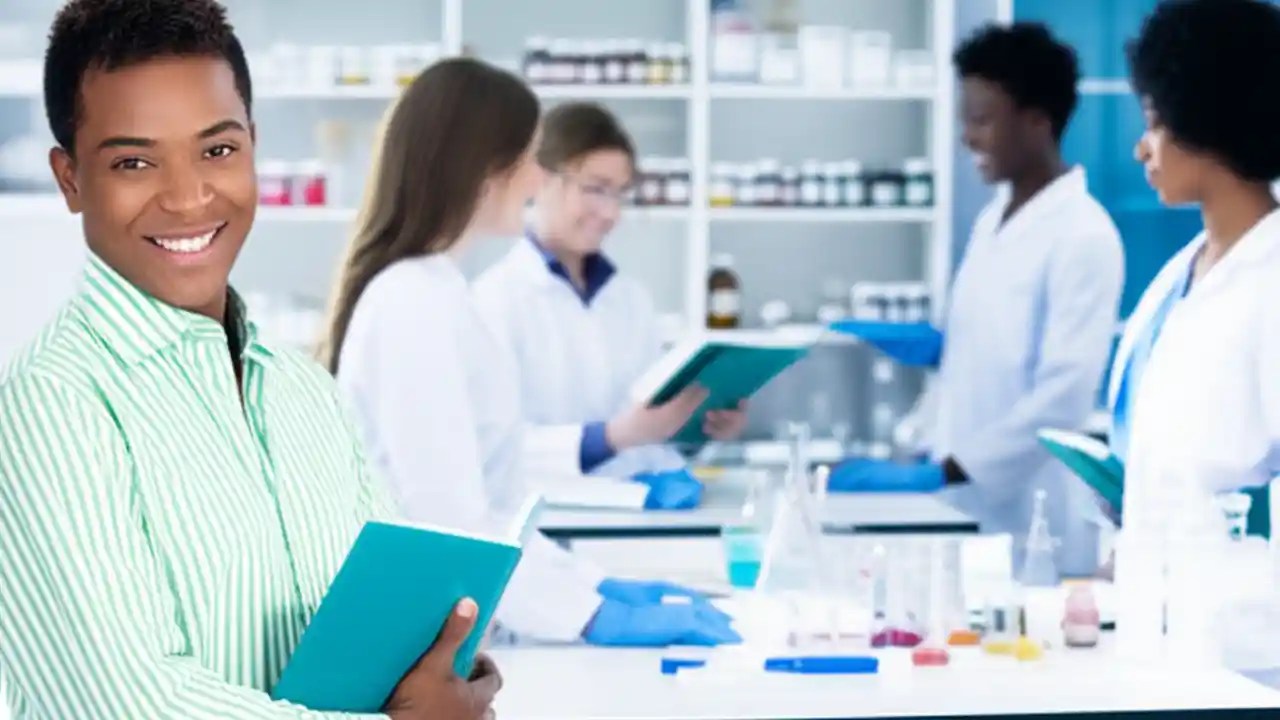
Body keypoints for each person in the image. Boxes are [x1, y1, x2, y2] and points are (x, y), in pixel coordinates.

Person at [0, 1, 498, 718]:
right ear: (71, 178)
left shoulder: (301, 390)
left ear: (253, 147)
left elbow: (392, 631)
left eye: (218, 151)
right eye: (134, 162)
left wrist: (449, 670)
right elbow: (130, 704)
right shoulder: (49, 405)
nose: (188, 198)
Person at [323, 59, 740, 648]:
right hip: (411, 638)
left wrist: (596, 587)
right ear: (483, 168)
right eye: (530, 159)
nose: (536, 180)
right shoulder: (412, 301)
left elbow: (496, 509)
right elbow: (449, 519)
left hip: (452, 623)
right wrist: (590, 615)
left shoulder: (440, 292)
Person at [830, 23, 1125, 578]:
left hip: (1034, 519)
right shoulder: (994, 220)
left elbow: (1062, 401)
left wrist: (945, 471)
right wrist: (944, 349)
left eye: (983, 120)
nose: (967, 138)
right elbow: (997, 349)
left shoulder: (1083, 234)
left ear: (1037, 122)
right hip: (965, 509)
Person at [473, 102, 747, 507]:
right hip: (547, 523)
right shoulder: (493, 301)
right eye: (595, 189)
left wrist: (699, 427)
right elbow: (492, 449)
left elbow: (649, 441)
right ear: (540, 180)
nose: (610, 213)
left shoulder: (630, 299)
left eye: (620, 194)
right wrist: (615, 436)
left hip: (636, 512)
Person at [1112, 0, 1280, 543]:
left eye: (1154, 124)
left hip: (1241, 592)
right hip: (1158, 583)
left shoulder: (1271, 280)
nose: (1141, 149)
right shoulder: (1181, 274)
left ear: (1209, 121)